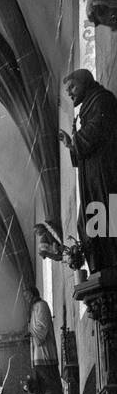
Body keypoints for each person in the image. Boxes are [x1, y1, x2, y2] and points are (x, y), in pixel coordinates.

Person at [59, 69, 117, 272]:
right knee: (86, 224)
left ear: (86, 82)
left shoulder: (102, 101)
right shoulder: (88, 108)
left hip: (104, 177)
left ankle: (109, 264)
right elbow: (83, 147)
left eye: (72, 87)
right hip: (92, 179)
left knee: (105, 218)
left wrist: (76, 140)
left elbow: (95, 132)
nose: (70, 93)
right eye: (67, 90)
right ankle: (101, 266)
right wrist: (70, 144)